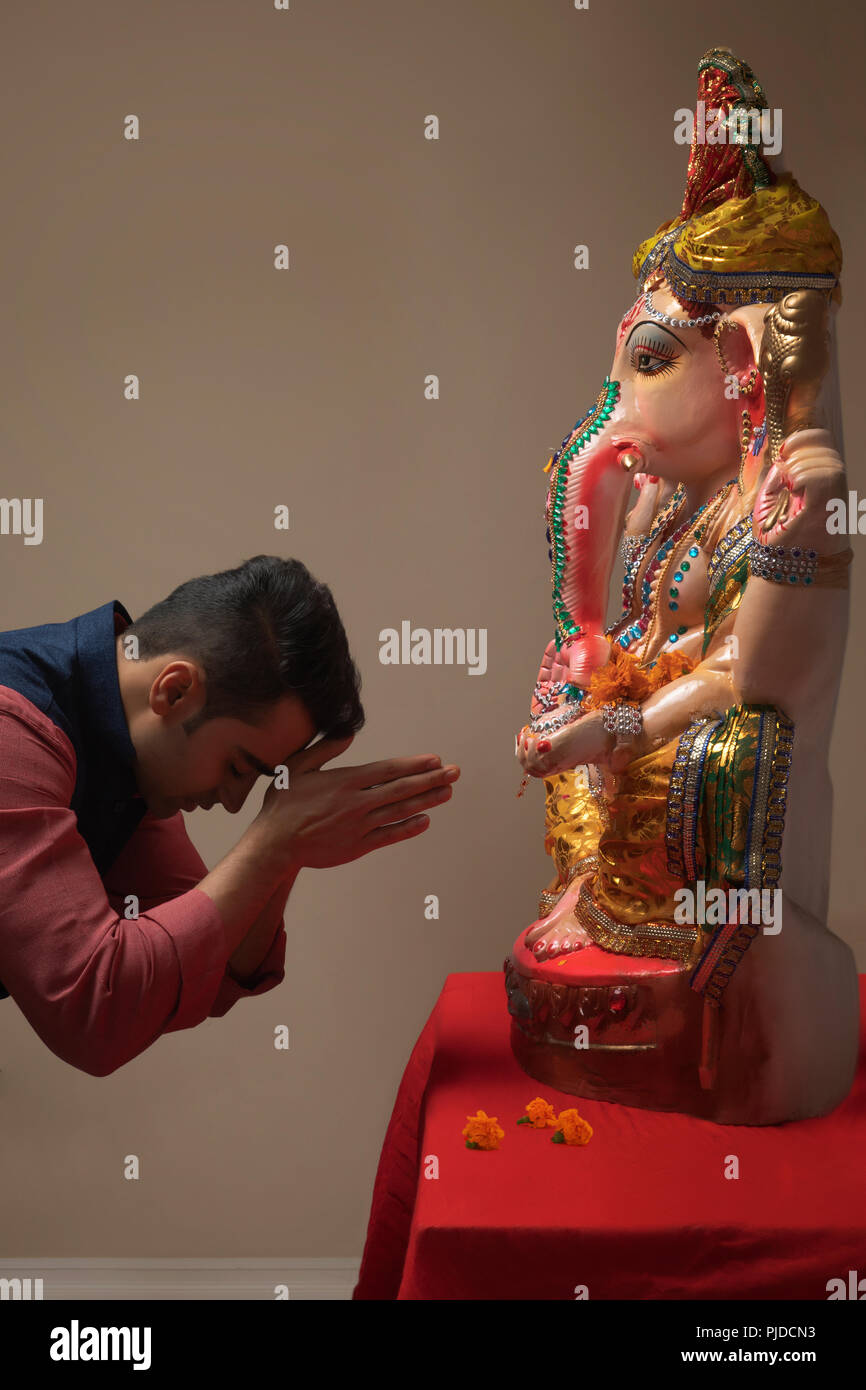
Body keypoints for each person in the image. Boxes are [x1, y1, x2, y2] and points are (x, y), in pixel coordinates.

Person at [0, 554, 459, 1076]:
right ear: (173, 691)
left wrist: (291, 843)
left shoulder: (131, 758)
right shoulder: (11, 729)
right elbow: (94, 1017)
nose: (236, 801)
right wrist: (274, 842)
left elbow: (212, 962)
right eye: (240, 766)